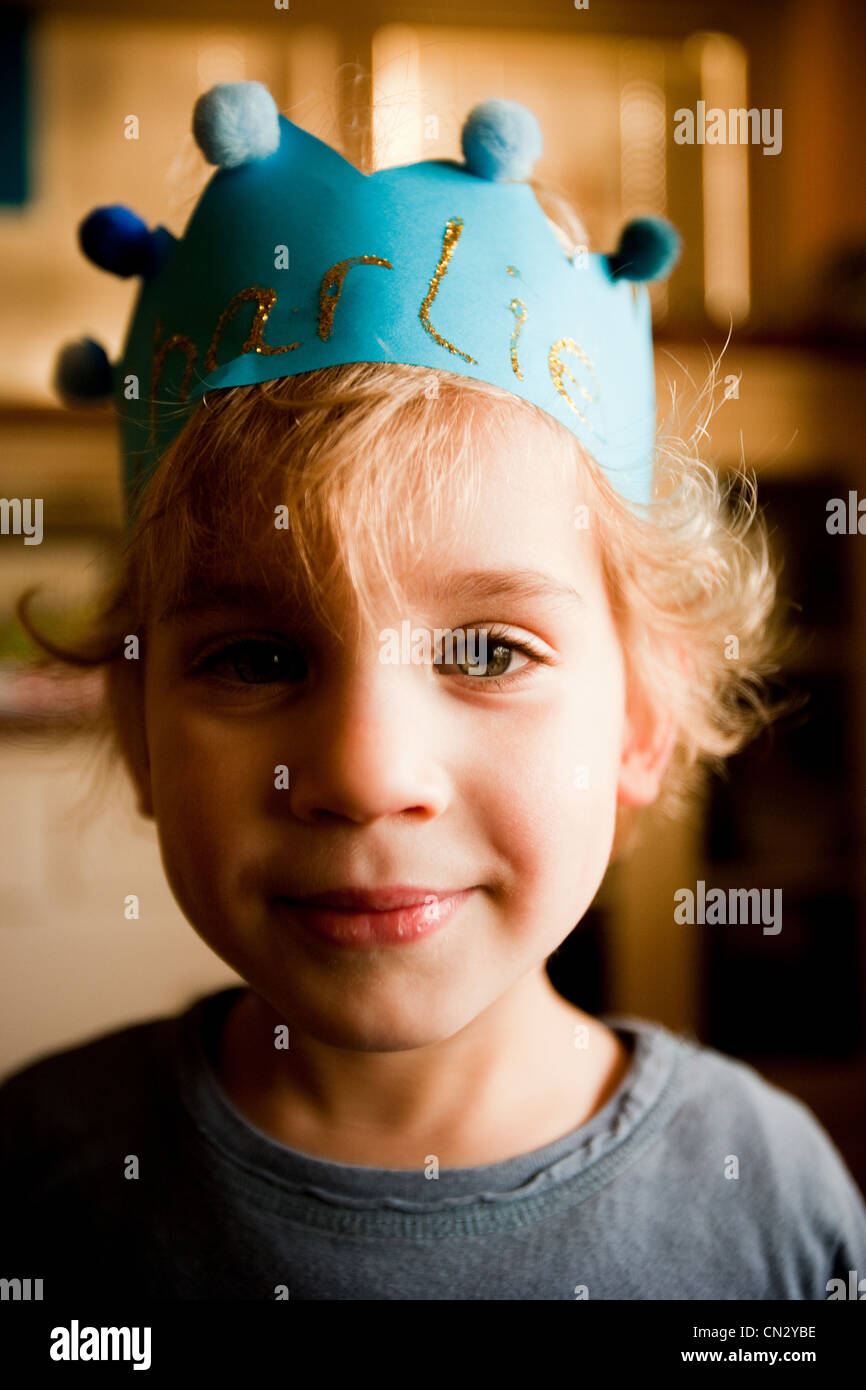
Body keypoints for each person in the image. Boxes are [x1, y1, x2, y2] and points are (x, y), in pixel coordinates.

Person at [2, 82, 864, 1301]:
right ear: (137, 730)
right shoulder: (43, 1177)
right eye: (257, 657)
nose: (362, 772)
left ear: (640, 716)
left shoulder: (769, 1201)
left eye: (486, 650)